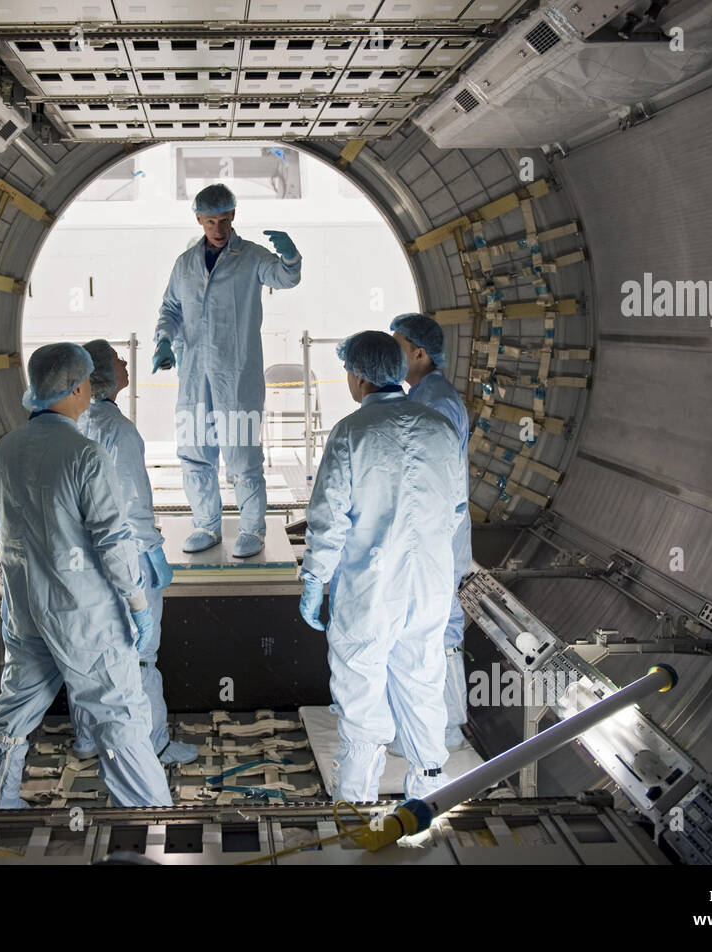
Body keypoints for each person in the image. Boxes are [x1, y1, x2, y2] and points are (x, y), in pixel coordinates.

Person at [0, 343, 172, 809]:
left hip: (25, 611)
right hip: (86, 616)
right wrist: (139, 605)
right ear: (80, 387)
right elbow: (114, 542)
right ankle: (153, 825)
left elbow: (4, 534)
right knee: (120, 723)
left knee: (12, 717)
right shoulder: (84, 454)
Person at [298, 331, 467, 802]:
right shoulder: (439, 428)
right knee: (421, 681)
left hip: (371, 591)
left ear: (357, 377)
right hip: (430, 588)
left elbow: (328, 520)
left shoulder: (352, 433)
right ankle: (429, 796)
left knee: (361, 688)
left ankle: (356, 802)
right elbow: (456, 508)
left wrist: (314, 579)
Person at [152, 182, 302, 559]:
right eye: (209, 222)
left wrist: (290, 258)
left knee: (242, 456)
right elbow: (171, 309)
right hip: (192, 377)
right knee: (194, 453)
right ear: (199, 220)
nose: (217, 229)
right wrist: (164, 341)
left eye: (223, 220)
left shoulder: (251, 256)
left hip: (237, 376)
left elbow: (284, 278)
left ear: (233, 216)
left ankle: (252, 529)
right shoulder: (184, 265)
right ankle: (205, 524)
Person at [70, 339, 199, 765]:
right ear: (103, 376)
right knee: (141, 656)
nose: (126, 362)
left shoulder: (74, 424)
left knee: (92, 654)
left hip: (84, 561)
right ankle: (155, 743)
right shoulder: (118, 432)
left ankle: (88, 739)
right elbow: (130, 506)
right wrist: (154, 551)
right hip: (127, 558)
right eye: (118, 359)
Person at [390, 313, 472, 750]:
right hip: (429, 535)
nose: (392, 354)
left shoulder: (435, 404)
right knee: (426, 627)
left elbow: (435, 483)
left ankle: (444, 727)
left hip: (436, 537)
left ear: (419, 353)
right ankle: (429, 725)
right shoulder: (423, 395)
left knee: (437, 630)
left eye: (397, 346)